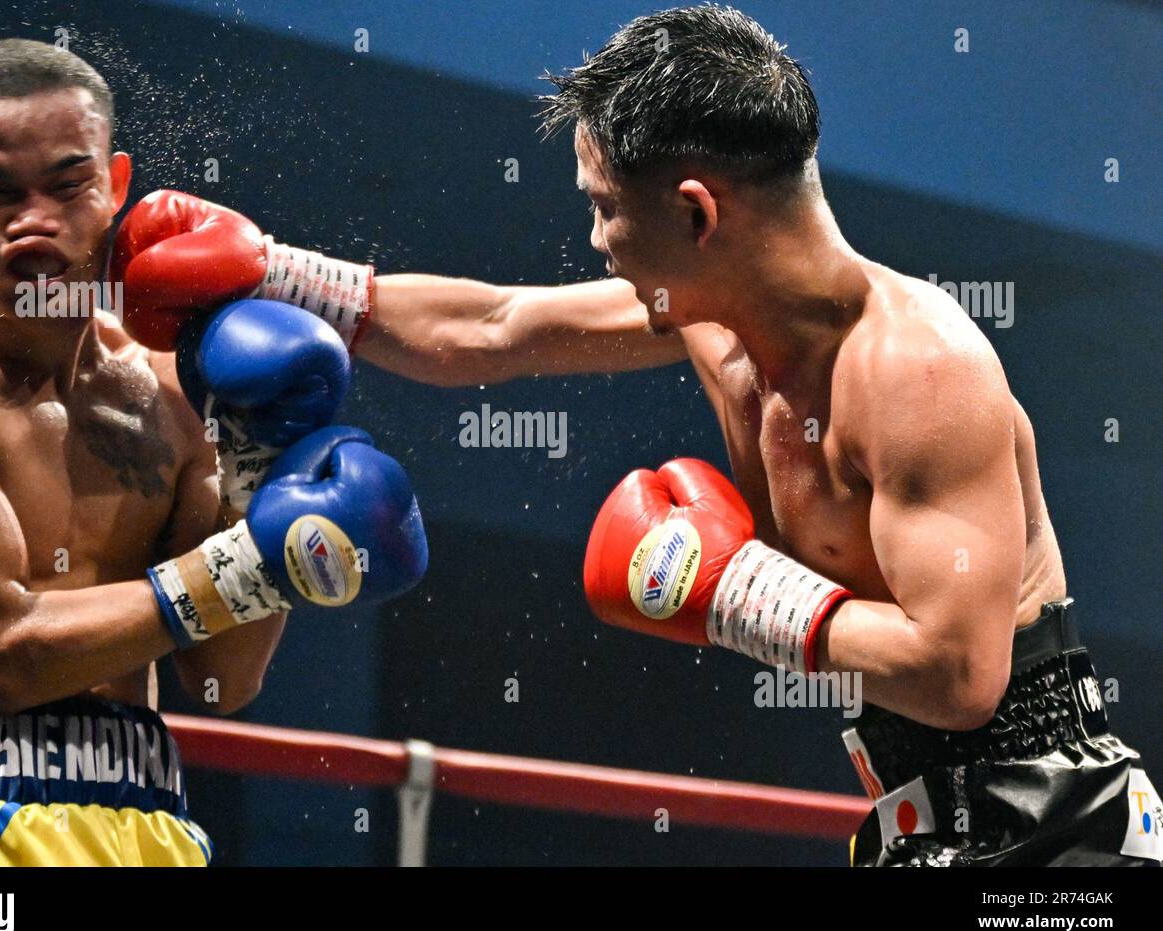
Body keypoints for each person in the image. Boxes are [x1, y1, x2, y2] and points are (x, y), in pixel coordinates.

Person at [111, 5, 1160, 866]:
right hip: (920, 820)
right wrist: (273, 271)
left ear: (697, 213)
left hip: (1057, 830)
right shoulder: (708, 310)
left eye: (606, 207)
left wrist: (731, 587)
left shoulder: (918, 370)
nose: (595, 237)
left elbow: (958, 674)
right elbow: (493, 329)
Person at [0, 38, 426, 867]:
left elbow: (224, 681)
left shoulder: (169, 386)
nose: (33, 223)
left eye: (67, 184)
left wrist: (260, 466)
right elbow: (10, 656)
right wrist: (257, 561)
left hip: (147, 815)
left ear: (116, 185)